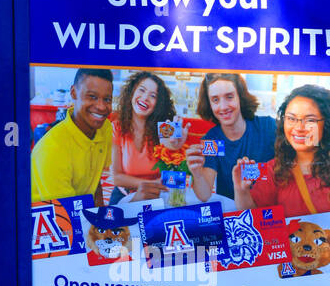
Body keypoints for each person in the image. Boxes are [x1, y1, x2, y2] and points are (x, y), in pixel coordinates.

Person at [232, 84, 330, 217]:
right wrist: (241, 190)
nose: (299, 127)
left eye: (310, 120)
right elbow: (255, 219)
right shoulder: (273, 170)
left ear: (327, 124)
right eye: (291, 118)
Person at [185, 71, 276, 201]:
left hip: (270, 213)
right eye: (215, 100)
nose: (223, 107)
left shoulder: (268, 127)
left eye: (229, 97)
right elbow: (204, 195)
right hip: (236, 215)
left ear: (240, 97)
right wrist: (197, 174)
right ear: (209, 105)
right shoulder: (212, 140)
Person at [30, 67, 114, 204]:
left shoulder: (105, 128)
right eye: (92, 96)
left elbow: (96, 182)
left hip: (78, 211)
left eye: (107, 99)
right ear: (74, 93)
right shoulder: (52, 149)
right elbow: (65, 215)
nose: (101, 107)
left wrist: (101, 218)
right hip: (47, 219)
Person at [108, 70, 176, 202]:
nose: (145, 98)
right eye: (142, 90)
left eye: (153, 96)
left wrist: (174, 145)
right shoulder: (117, 128)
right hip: (124, 196)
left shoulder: (165, 128)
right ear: (132, 92)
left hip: (157, 196)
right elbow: (116, 177)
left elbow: (173, 174)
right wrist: (150, 185)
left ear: (158, 103)